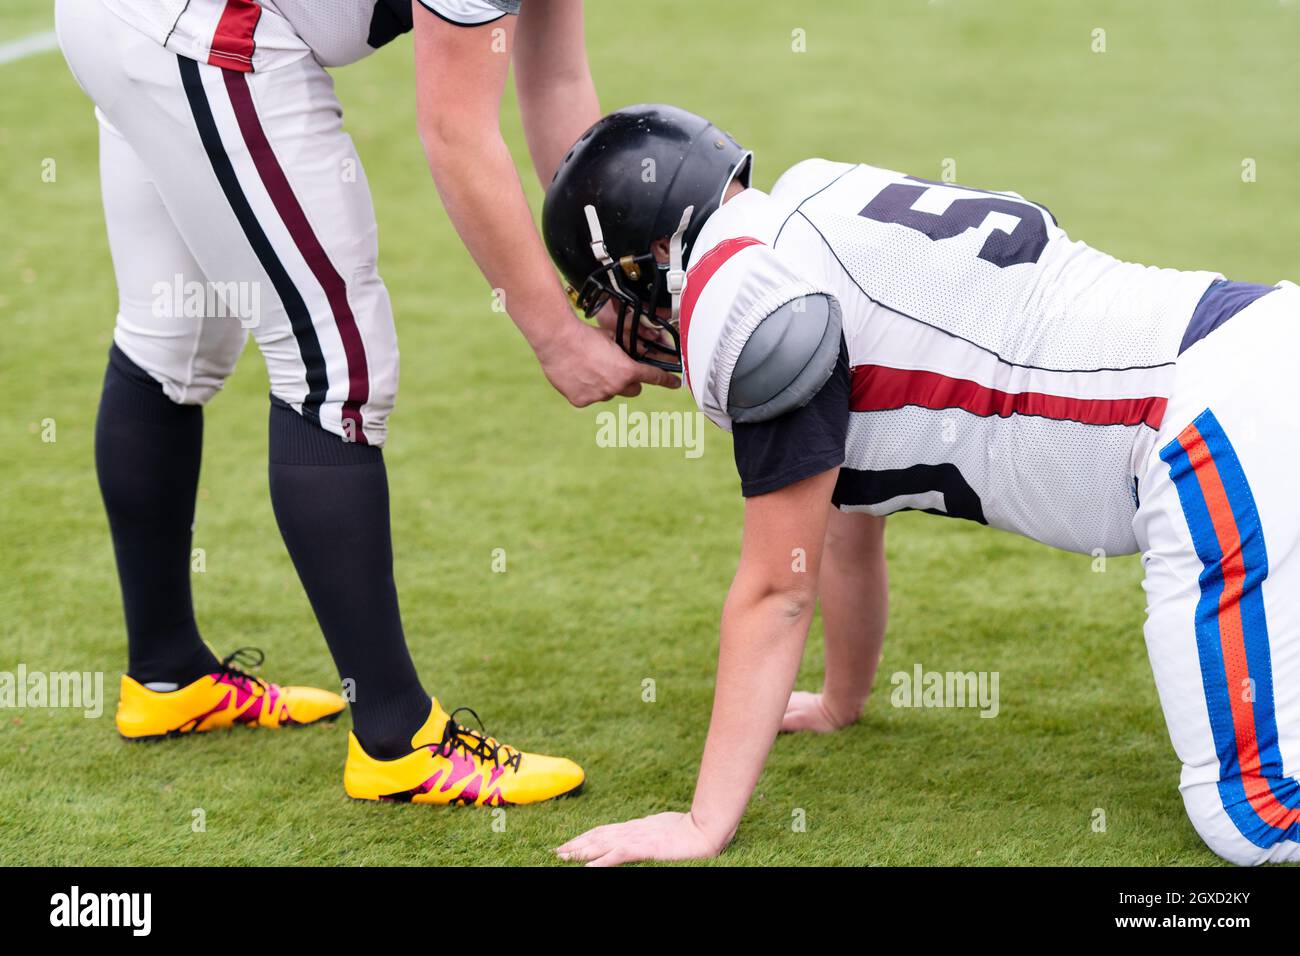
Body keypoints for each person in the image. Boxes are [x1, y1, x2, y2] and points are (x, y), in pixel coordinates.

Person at [541, 104, 1300, 863]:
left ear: (649, 253)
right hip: (1260, 338)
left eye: (602, 295)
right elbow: (840, 527)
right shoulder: (810, 200)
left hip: (1210, 430)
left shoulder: (749, 299)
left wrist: (701, 823)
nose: (608, 323)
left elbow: (778, 589)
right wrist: (844, 701)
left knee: (1252, 814)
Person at [54, 0, 675, 806]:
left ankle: (168, 675)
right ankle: (395, 739)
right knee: (333, 365)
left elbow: (555, 78)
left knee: (171, 335)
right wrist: (555, 334)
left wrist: (611, 274)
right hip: (196, 24)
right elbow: (456, 133)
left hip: (122, 18)